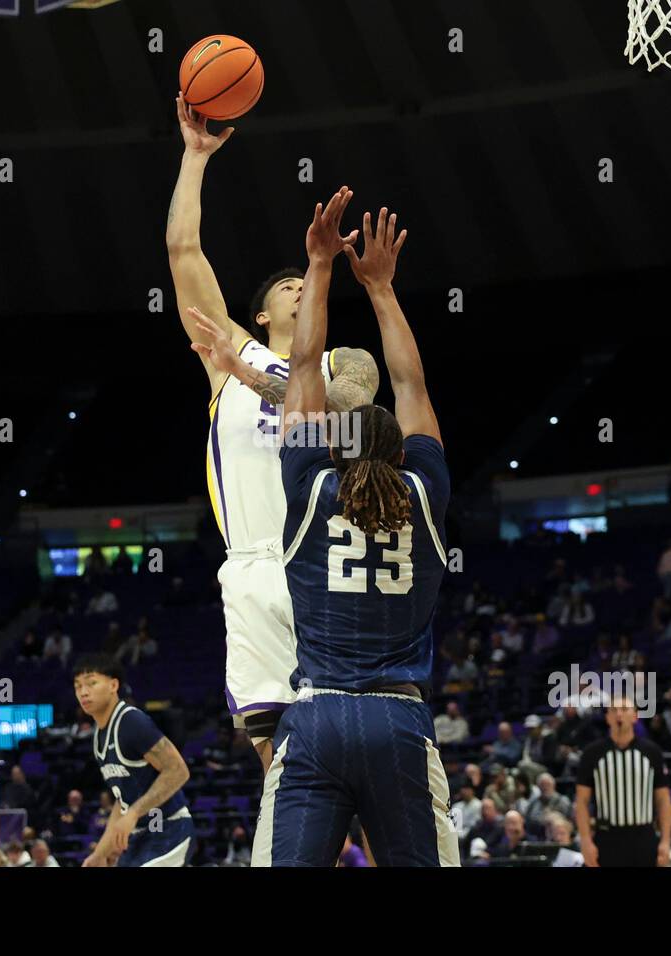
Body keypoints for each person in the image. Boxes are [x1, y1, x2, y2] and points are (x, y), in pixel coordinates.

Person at [245, 193, 457, 867]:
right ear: (403, 454)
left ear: (333, 447)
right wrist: (383, 290)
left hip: (316, 721)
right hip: (397, 720)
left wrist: (320, 265)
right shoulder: (425, 495)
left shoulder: (309, 490)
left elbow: (304, 367)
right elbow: (409, 382)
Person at [168, 97, 378, 774]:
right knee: (278, 758)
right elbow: (183, 249)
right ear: (258, 314)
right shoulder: (232, 352)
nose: (296, 286)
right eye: (285, 284)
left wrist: (319, 273)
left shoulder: (344, 362)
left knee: (353, 747)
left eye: (303, 281)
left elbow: (345, 410)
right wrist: (195, 158)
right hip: (253, 563)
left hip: (323, 559)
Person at [74, 656, 193, 867]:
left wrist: (134, 813)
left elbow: (178, 770)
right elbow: (123, 801)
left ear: (113, 685)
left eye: (91, 683)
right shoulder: (99, 736)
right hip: (138, 838)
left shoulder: (131, 721)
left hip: (168, 829)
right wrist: (100, 854)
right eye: (78, 686)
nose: (83, 692)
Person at [574, 698, 671, 867]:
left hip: (643, 836)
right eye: (613, 710)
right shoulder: (592, 754)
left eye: (624, 709)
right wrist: (585, 840)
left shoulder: (652, 752)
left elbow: (663, 799)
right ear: (607, 718)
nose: (619, 714)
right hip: (607, 837)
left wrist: (665, 840)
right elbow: (581, 801)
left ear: (635, 716)